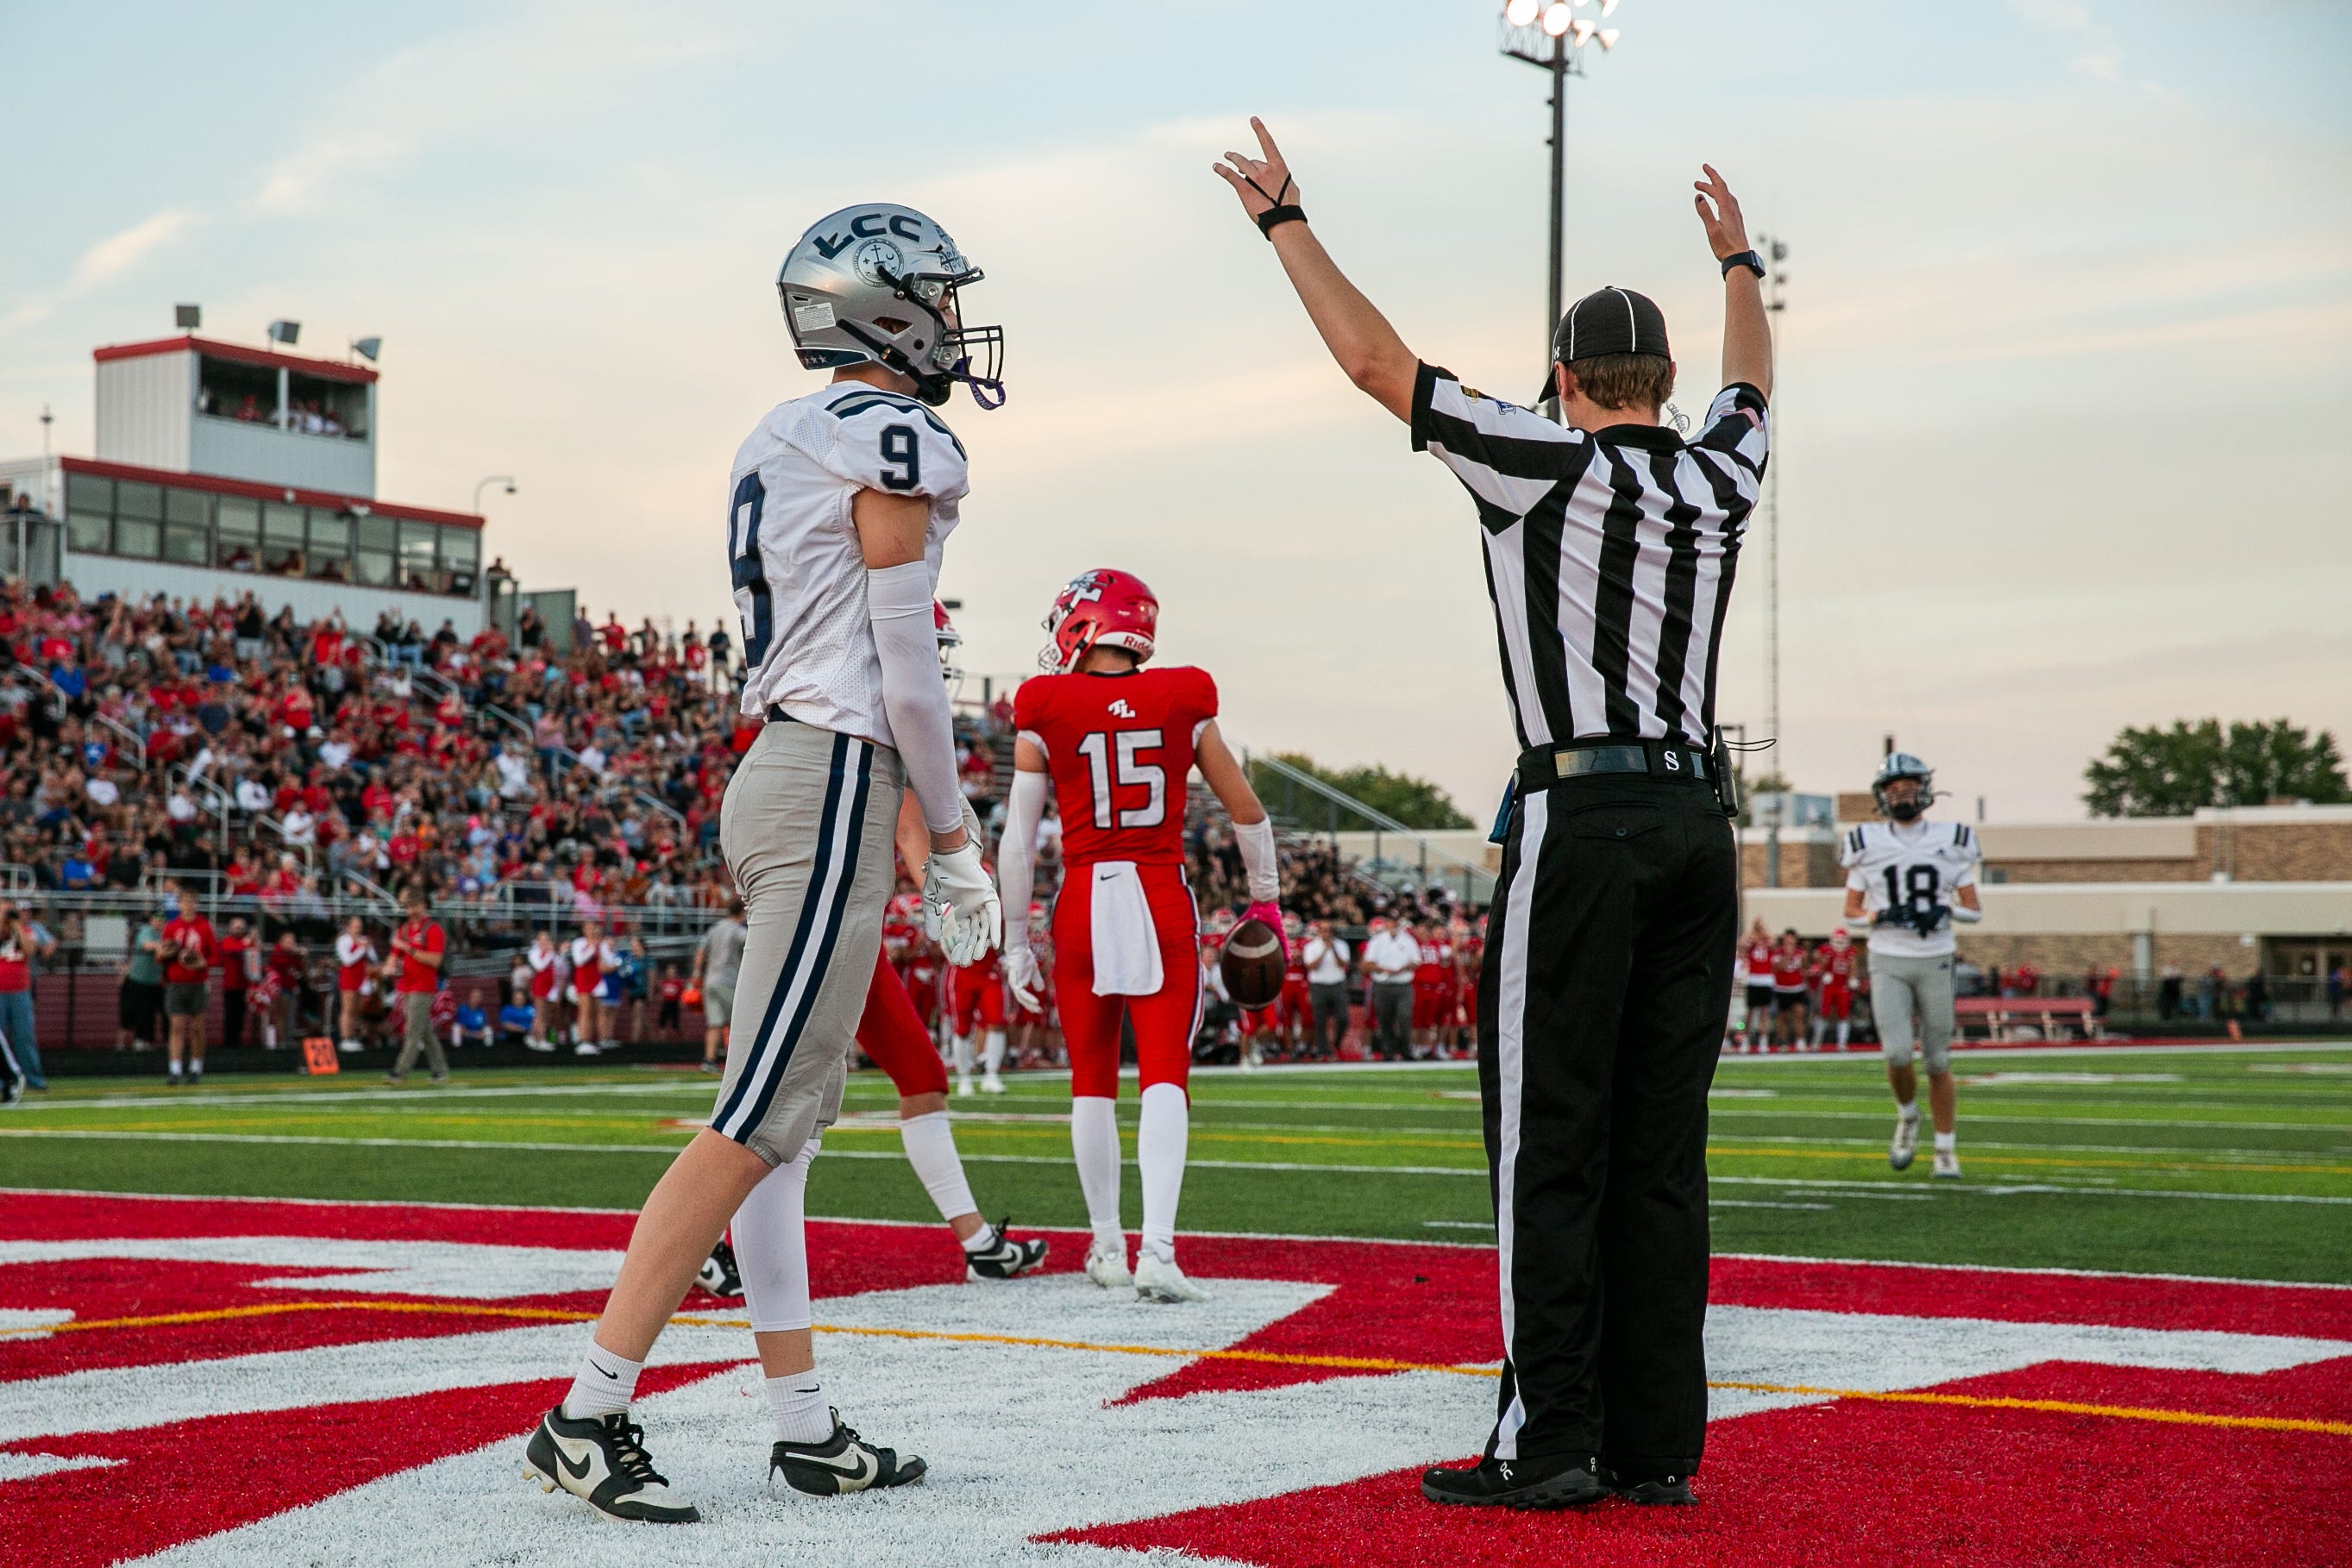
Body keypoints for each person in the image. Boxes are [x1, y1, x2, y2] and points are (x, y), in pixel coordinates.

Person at [1218, 122, 1767, 1508]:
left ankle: (1549, 1435)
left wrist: (1286, 226)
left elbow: (1374, 366)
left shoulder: (1544, 458)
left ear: (1566, 380)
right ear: (1663, 381)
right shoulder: (1716, 475)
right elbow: (1753, 389)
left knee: (1545, 1133)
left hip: (1583, 817)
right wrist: (1738, 266)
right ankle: (1654, 1442)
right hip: (1698, 826)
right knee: (1659, 1148)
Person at [526, 200, 1004, 1521]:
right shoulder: (888, 436)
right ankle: (585, 1412)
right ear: (885, 307)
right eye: (938, 297)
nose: (952, 322)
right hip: (830, 776)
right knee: (752, 1122)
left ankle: (803, 1428)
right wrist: (952, 837)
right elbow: (904, 669)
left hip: (794, 769)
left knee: (781, 1128)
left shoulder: (783, 431)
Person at [994, 568, 1284, 1306]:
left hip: (1081, 901)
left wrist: (1016, 939)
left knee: (1090, 1081)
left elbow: (1018, 842)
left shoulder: (1044, 704)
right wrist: (1266, 903)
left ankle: (1106, 1246)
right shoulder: (1183, 698)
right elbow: (1248, 813)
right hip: (1157, 898)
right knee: (1163, 1075)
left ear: (1085, 623)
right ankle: (1158, 1250)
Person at [1841, 753, 1984, 1180]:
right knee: (1898, 1052)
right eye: (1894, 787)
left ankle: (1945, 1149)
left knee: (1938, 1060)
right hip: (1887, 956)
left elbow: (1975, 910)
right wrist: (1878, 915)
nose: (1902, 793)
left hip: (1935, 955)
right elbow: (1851, 912)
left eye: (1909, 785)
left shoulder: (1953, 838)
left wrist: (1946, 909)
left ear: (1924, 789)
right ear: (1882, 795)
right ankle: (1907, 1114)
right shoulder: (1865, 841)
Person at [384, 891, 448, 1085]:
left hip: (423, 987)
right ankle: (440, 1070)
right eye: (408, 907)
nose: (411, 910)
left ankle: (400, 1071)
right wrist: (389, 966)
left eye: (414, 906)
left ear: (423, 906)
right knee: (424, 1030)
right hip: (407, 986)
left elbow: (435, 960)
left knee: (412, 1030)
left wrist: (408, 948)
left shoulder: (433, 929)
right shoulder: (403, 930)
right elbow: (394, 955)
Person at [161, 887, 218, 1086]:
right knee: (176, 1026)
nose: (187, 905)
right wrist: (165, 953)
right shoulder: (172, 927)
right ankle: (175, 1069)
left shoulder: (204, 927)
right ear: (179, 904)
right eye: (184, 901)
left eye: (191, 901)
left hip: (197, 981)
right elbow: (161, 955)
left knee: (197, 1028)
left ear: (196, 904)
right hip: (176, 981)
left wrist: (202, 963)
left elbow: (214, 956)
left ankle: (195, 1067)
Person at [0, 900, 56, 1090]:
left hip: (19, 991)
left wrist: (16, 926)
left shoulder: (25, 931)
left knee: (25, 1036)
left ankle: (33, 1078)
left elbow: (30, 951)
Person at [690, 900, 747, 1075]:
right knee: (737, 1022)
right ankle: (735, 1061)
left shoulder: (714, 929)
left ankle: (709, 1059)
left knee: (714, 1023)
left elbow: (700, 952)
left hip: (710, 979)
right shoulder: (739, 931)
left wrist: (697, 973)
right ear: (742, 912)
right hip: (729, 980)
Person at [1363, 916, 1418, 1062]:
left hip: (1403, 984)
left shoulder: (1408, 940)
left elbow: (1416, 962)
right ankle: (1388, 1051)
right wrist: (1382, 969)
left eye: (1395, 922)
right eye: (1391, 922)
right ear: (1387, 924)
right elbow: (1367, 964)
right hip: (1383, 984)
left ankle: (1406, 1049)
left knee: (1404, 1017)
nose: (1393, 925)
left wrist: (1403, 968)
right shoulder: (1377, 941)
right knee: (1384, 1019)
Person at [1302, 919, 1351, 1059]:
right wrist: (1324, 951)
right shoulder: (1311, 946)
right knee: (1320, 1020)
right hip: (1319, 985)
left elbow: (1344, 965)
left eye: (1328, 930)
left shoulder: (1341, 945)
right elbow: (1311, 967)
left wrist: (1333, 950)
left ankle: (1336, 1044)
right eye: (1323, 930)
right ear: (1319, 932)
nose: (1326, 933)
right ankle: (1323, 1050)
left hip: (1337, 984)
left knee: (1343, 1018)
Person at [119, 912, 166, 1053]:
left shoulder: (163, 934)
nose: (159, 922)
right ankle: (130, 1042)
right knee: (135, 1011)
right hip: (139, 980)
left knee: (151, 1012)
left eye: (161, 919)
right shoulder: (146, 930)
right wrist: (164, 947)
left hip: (154, 981)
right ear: (151, 920)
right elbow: (147, 945)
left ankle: (147, 1040)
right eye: (156, 919)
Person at [336, 916, 378, 1053]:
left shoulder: (364, 940)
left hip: (361, 977)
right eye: (355, 926)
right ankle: (345, 1038)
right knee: (347, 1009)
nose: (357, 929)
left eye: (359, 926)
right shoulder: (343, 940)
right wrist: (361, 949)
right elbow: (347, 960)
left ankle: (352, 1036)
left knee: (357, 1009)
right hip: (348, 977)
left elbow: (374, 958)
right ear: (349, 927)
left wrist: (368, 947)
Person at [1815, 928, 1860, 1051]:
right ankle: (1817, 1041)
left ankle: (1842, 1043)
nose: (1840, 942)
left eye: (1842, 940)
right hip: (1830, 985)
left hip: (1842, 986)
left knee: (1843, 1014)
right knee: (1824, 1013)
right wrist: (1824, 971)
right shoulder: (1827, 951)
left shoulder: (1850, 953)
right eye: (1837, 940)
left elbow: (1853, 966)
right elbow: (1819, 965)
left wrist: (1853, 978)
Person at [216, 916, 254, 1052]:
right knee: (230, 1014)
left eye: (241, 928)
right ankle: (229, 1042)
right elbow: (233, 950)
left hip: (244, 985)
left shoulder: (247, 942)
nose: (239, 930)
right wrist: (246, 943)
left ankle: (237, 1041)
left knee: (241, 1014)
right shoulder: (227, 941)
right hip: (230, 985)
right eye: (236, 927)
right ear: (230, 928)